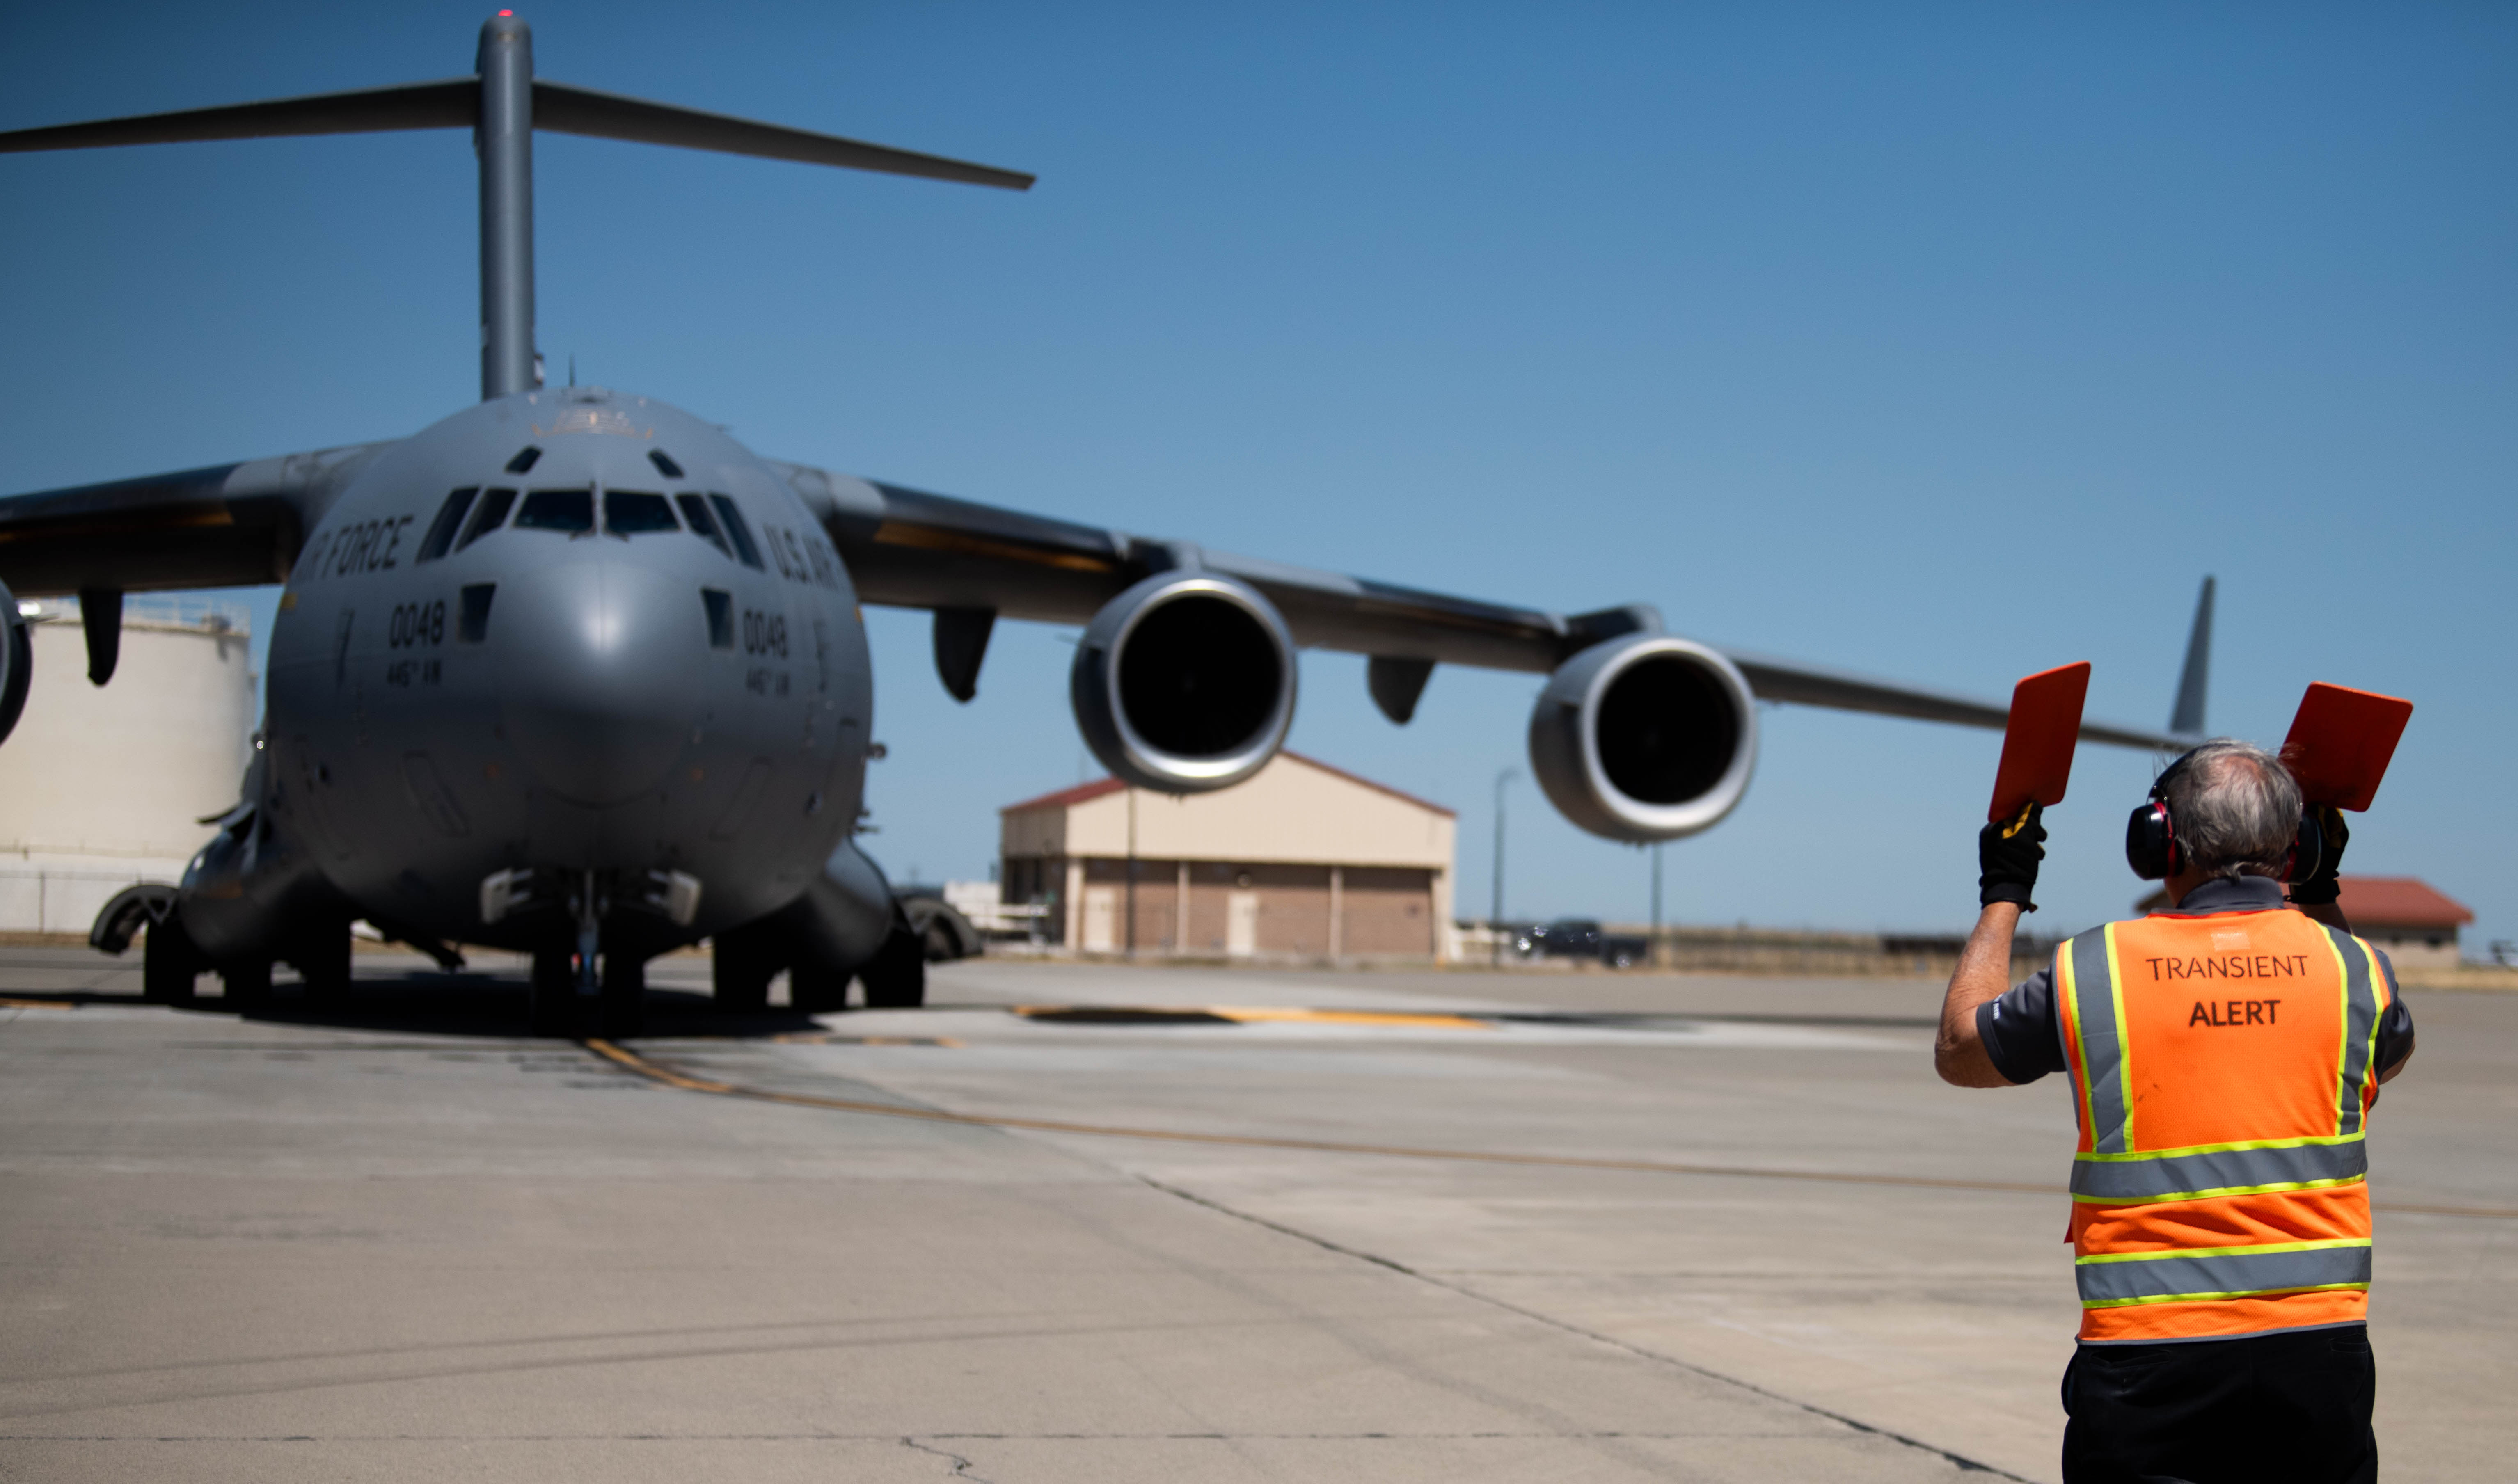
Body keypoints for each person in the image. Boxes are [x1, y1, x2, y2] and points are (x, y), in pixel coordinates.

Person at [1936, 739, 2415, 1484]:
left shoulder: (2094, 968)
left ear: (2158, 840)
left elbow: (1962, 1050)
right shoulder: (2358, 971)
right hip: (2318, 1350)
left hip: (2149, 1355)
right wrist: (2320, 889)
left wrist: (2005, 888)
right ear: (2297, 849)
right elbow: (2384, 1050)